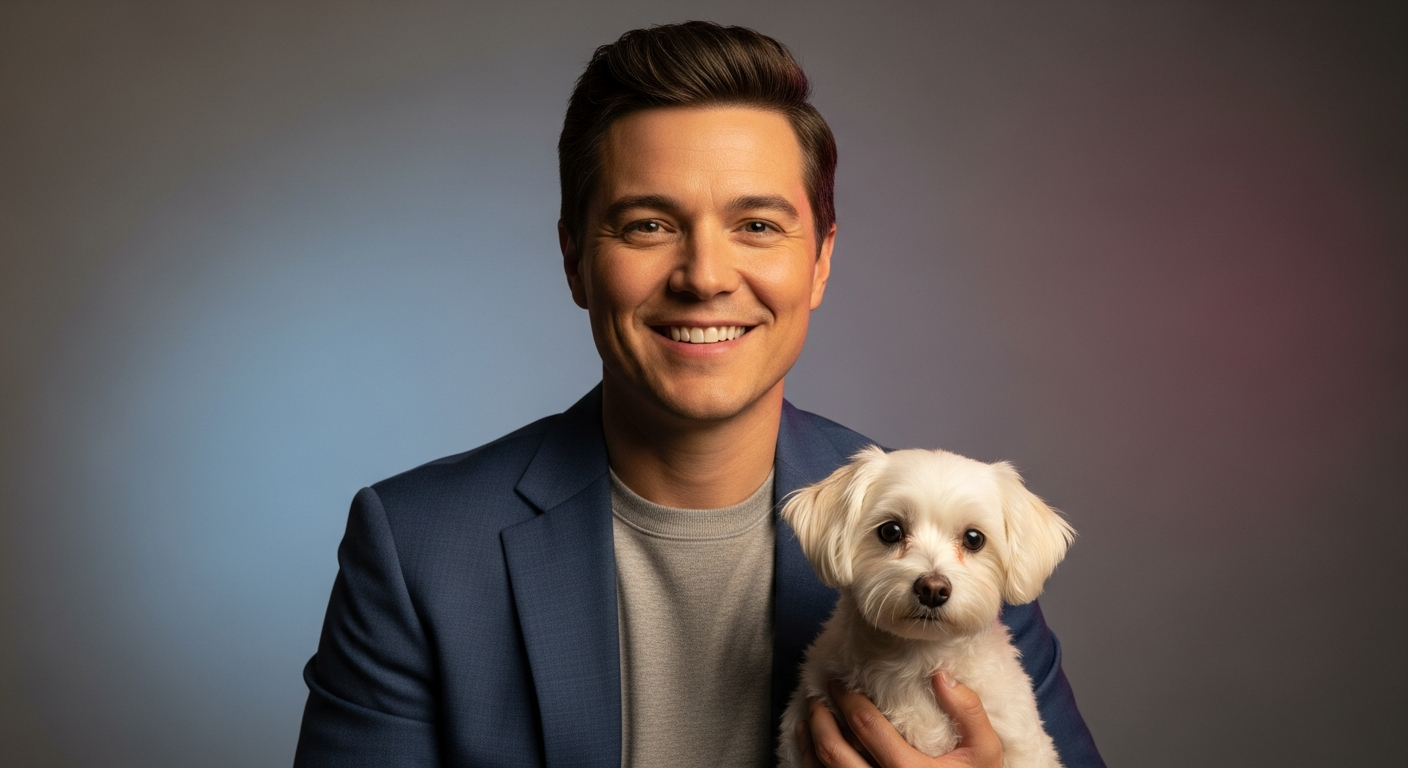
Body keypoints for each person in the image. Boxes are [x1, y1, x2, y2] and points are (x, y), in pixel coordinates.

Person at [293, 21, 1103, 768]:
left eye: (757, 226)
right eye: (648, 225)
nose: (706, 277)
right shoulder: (420, 550)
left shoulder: (963, 547)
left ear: (820, 261)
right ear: (576, 262)